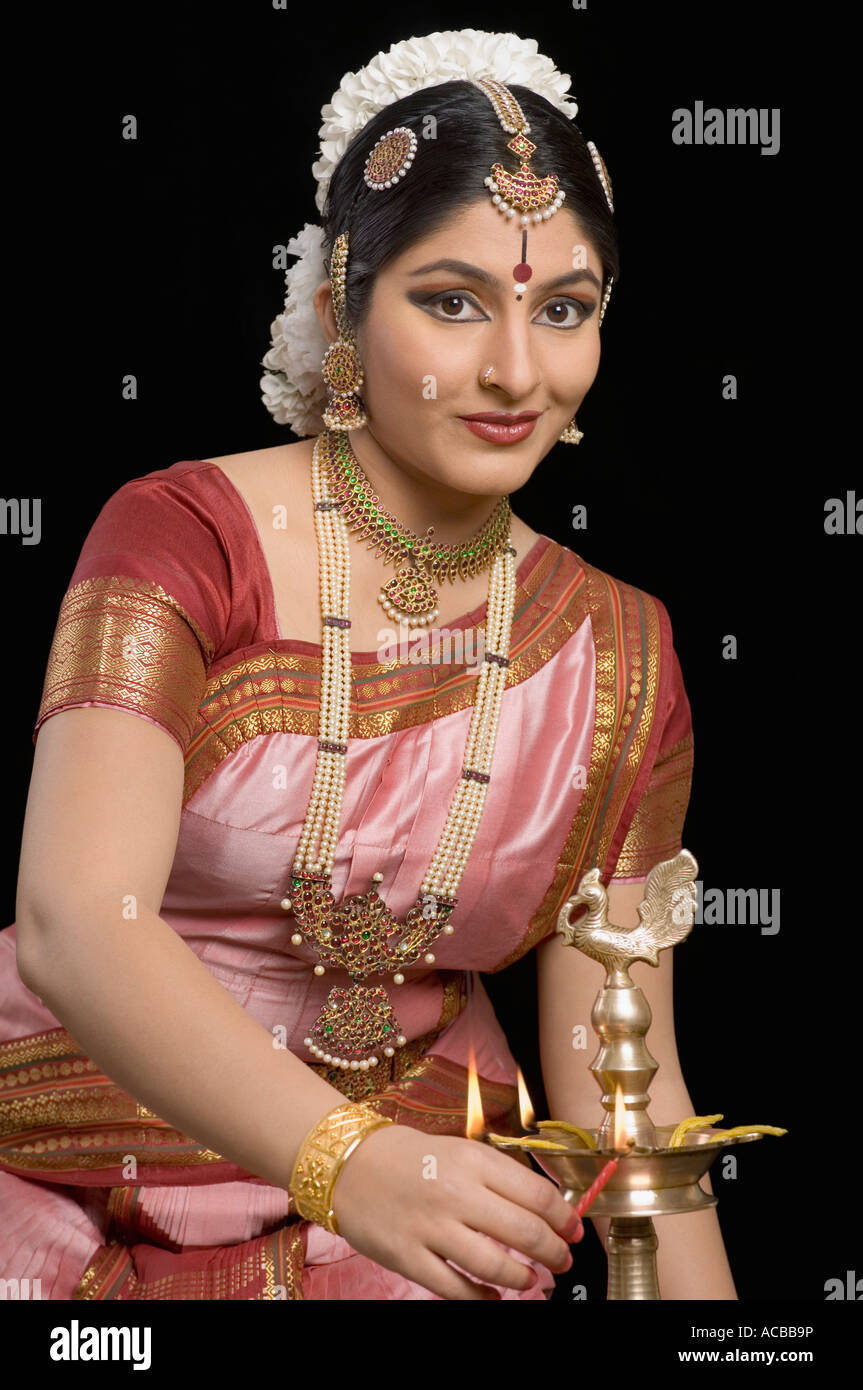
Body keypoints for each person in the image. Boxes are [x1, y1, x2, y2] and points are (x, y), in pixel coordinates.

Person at [0, 30, 736, 1300]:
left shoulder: (618, 650)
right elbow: (75, 922)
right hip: (54, 1177)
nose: (515, 370)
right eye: (451, 301)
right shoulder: (184, 536)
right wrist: (349, 1160)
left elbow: (625, 1077)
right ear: (345, 303)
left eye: (562, 311)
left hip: (418, 1232)